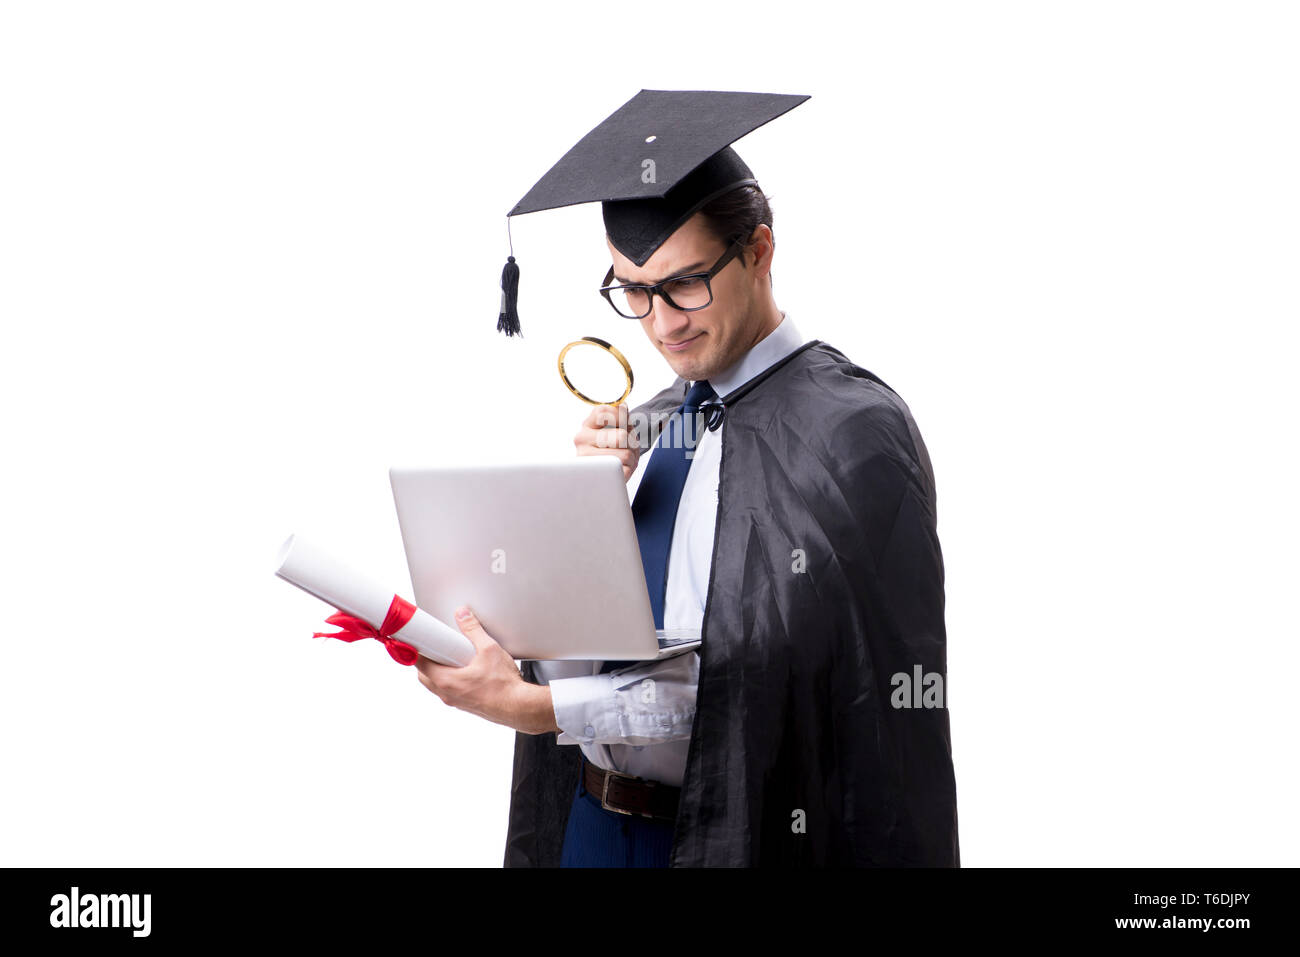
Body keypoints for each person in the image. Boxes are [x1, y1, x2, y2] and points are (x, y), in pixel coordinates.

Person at [413, 90, 960, 867]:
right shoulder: (655, 419)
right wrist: (581, 522)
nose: (662, 323)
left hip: (738, 838)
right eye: (633, 290)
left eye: (684, 284)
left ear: (760, 252)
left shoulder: (853, 433)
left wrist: (539, 707)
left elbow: (763, 681)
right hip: (590, 827)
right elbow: (615, 645)